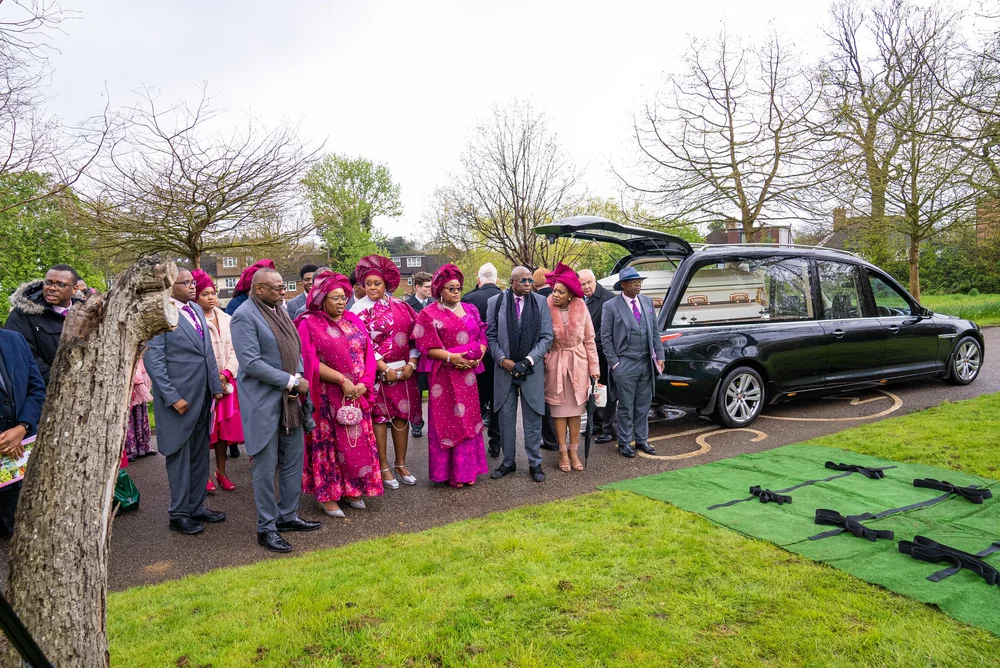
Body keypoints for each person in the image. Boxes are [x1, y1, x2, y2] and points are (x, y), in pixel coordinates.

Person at [231, 268, 320, 552]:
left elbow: (295, 350)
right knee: (265, 468)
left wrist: (298, 377)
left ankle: (287, 515)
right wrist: (292, 380)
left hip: (290, 402)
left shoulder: (278, 309)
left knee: (293, 462)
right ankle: (266, 528)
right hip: (264, 403)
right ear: (259, 289)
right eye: (279, 287)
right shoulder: (245, 315)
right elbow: (250, 363)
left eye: (284, 286)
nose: (285, 291)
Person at [145, 268, 226, 535]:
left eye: (193, 282)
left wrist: (215, 387)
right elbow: (154, 361)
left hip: (202, 397)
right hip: (179, 402)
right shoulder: (161, 314)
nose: (193, 286)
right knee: (180, 458)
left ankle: (197, 506)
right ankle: (178, 513)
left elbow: (207, 355)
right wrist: (172, 397)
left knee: (200, 454)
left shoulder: (194, 311)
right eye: (186, 283)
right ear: (170, 285)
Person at [295, 271, 383, 517]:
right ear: (322, 299)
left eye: (344, 297)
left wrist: (365, 383)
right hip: (326, 398)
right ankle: (329, 493)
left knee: (356, 443)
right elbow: (309, 363)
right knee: (331, 445)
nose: (341, 301)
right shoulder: (308, 322)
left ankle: (353, 487)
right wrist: (341, 379)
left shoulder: (354, 319)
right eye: (335, 297)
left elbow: (369, 355)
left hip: (356, 395)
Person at [350, 255, 421, 490]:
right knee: (379, 419)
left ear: (386, 284)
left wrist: (412, 363)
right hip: (378, 373)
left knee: (402, 417)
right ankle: (383, 466)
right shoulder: (357, 309)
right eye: (367, 283)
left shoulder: (401, 305)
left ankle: (400, 464)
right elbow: (362, 345)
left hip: (404, 370)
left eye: (376, 283)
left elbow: (415, 336)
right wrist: (384, 368)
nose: (372, 287)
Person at [414, 265, 489, 488]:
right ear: (439, 290)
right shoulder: (428, 314)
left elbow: (483, 338)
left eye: (458, 288)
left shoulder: (471, 309)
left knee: (469, 419)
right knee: (447, 422)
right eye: (450, 288)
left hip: (468, 376)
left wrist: (479, 356)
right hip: (444, 378)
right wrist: (450, 358)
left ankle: (468, 470)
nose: (456, 292)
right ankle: (450, 473)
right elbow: (424, 346)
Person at [486, 266, 553, 482]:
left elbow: (546, 337)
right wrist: (502, 360)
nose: (527, 284)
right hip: (504, 371)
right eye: (523, 280)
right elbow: (490, 335)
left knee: (533, 419)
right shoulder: (495, 303)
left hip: (530, 370)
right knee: (505, 419)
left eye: (530, 280)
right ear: (512, 282)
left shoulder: (541, 302)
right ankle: (508, 462)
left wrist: (528, 360)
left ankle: (535, 463)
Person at [600, 267, 665, 458]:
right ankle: (624, 442)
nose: (638, 284)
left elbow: (654, 331)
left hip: (646, 361)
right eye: (634, 281)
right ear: (623, 285)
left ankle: (642, 440)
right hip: (625, 363)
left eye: (640, 281)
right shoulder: (611, 306)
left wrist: (659, 356)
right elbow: (605, 337)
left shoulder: (646, 301)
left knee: (643, 405)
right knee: (626, 406)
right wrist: (615, 364)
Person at [543, 264, 600, 472]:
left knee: (576, 411)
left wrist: (594, 367)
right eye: (554, 291)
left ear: (569, 294)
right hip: (556, 363)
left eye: (560, 292)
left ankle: (574, 450)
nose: (555, 295)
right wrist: (547, 357)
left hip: (578, 363)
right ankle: (562, 452)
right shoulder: (546, 307)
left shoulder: (581, 308)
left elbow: (589, 339)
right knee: (559, 411)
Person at [193, 269, 244, 492]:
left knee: (223, 433)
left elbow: (236, 350)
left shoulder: (227, 318)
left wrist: (226, 374)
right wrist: (214, 378)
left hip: (227, 383)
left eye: (212, 293)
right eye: (205, 294)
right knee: (206, 433)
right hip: (205, 386)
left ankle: (221, 472)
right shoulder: (193, 321)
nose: (211, 297)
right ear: (195, 297)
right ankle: (203, 474)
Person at [5, 264, 84, 385]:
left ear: (74, 289)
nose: (52, 288)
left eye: (60, 284)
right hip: (43, 391)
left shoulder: (87, 313)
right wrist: (58, 381)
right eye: (48, 283)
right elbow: (22, 355)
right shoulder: (23, 314)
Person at [0, 329, 45, 538]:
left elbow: (36, 389)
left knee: (22, 531)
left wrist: (22, 427)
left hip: (18, 459)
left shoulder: (15, 339)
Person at [461, 263, 502, 457]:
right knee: (498, 405)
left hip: (474, 360)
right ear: (496, 279)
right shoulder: (506, 298)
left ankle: (473, 445)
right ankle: (496, 443)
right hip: (499, 360)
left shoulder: (469, 298)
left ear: (478, 280)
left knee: (474, 405)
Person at [580, 269, 618, 444]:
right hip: (586, 353)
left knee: (606, 392)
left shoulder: (608, 299)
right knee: (592, 390)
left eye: (589, 282)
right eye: (582, 284)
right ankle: (595, 423)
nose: (586, 287)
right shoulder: (580, 299)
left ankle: (608, 428)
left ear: (595, 280)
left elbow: (609, 331)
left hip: (602, 353)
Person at [405, 271, 433, 438]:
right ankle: (416, 423)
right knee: (415, 392)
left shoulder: (436, 303)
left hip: (432, 355)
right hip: (415, 354)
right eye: (427, 287)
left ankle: (436, 422)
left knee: (434, 390)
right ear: (417, 287)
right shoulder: (407, 306)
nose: (431, 290)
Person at [124, 357, 154, 460]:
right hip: (131, 381)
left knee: (141, 415)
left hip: (139, 379)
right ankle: (130, 450)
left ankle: (143, 447)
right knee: (129, 417)